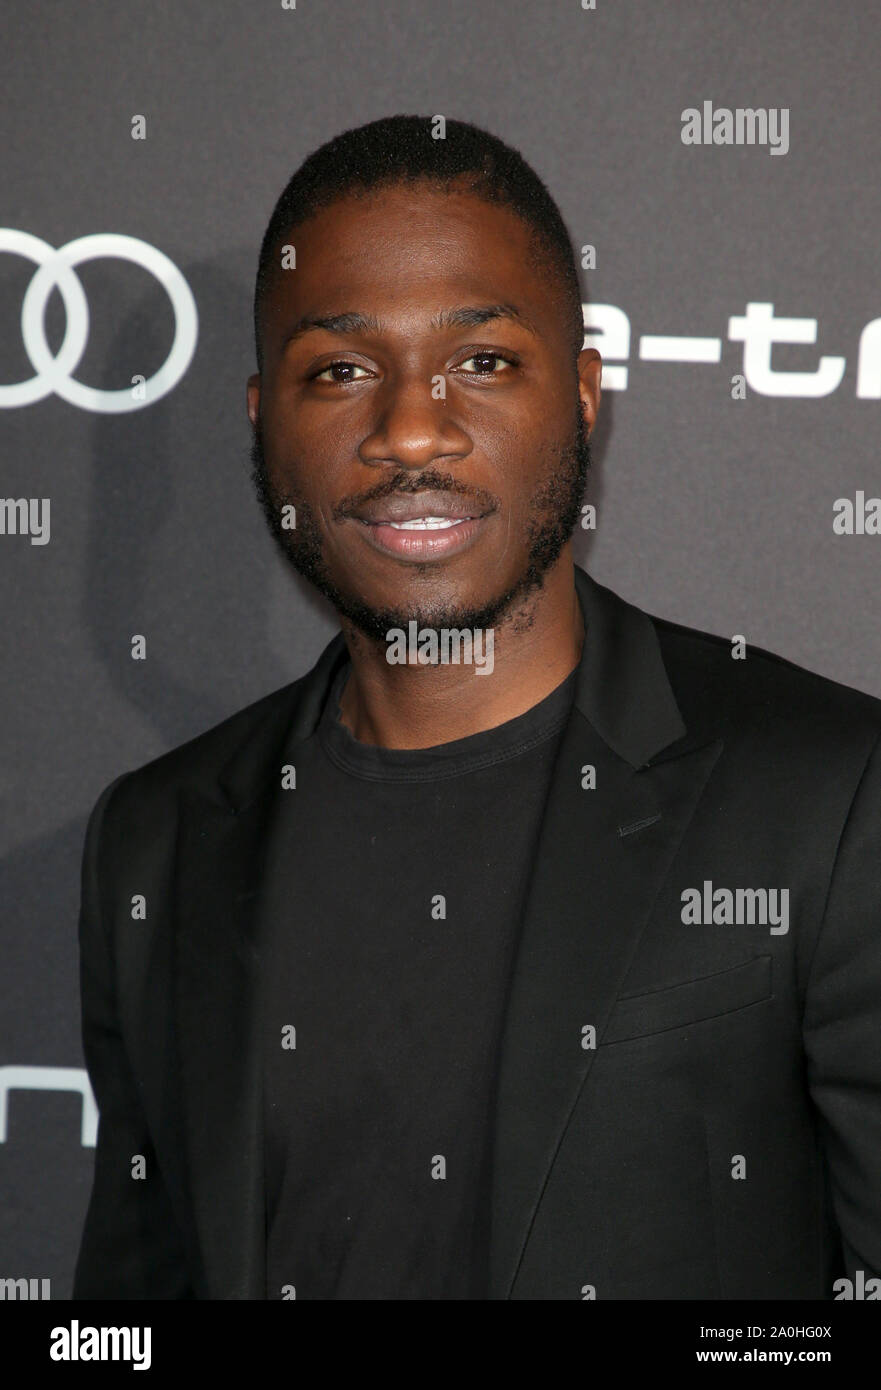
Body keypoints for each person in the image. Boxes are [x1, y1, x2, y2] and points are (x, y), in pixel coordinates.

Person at [73, 114, 881, 1300]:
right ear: (263, 422)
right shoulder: (157, 840)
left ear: (585, 395)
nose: (410, 427)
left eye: (483, 361)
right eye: (339, 370)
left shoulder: (827, 799)